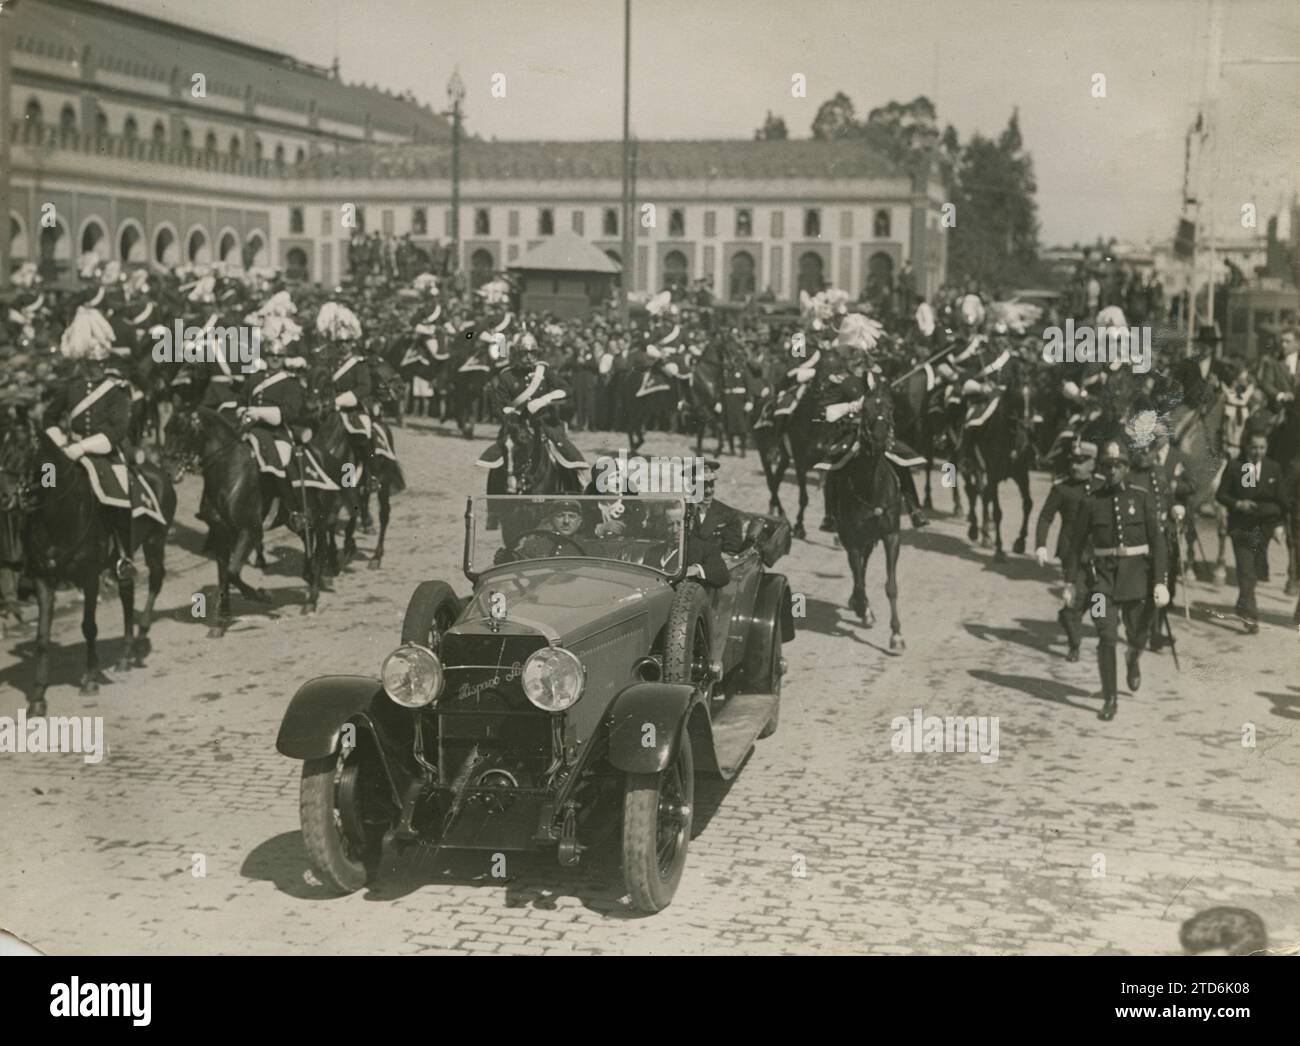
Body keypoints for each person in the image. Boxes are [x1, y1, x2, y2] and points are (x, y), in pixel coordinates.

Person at [1062, 439, 1169, 721]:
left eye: (1118, 465)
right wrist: (1071, 582)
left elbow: (1158, 543)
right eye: (1107, 466)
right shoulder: (1091, 502)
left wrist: (1160, 581)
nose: (1112, 471)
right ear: (1102, 468)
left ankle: (1133, 658)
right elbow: (1075, 545)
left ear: (1126, 467)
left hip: (1137, 580)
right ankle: (1110, 698)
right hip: (1102, 583)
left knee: (1138, 636)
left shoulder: (1141, 497)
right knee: (1105, 635)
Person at [1215, 428, 1287, 633]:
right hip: (1241, 528)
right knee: (1246, 572)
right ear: (1247, 447)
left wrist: (1279, 525)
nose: (1258, 452)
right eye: (1254, 447)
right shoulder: (1235, 466)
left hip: (1264, 529)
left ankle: (1242, 604)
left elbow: (1282, 501)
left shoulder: (1274, 468)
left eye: (1262, 447)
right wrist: (1238, 504)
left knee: (1254, 573)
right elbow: (1221, 495)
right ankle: (1251, 617)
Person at [1033, 439, 1097, 661]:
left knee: (1098, 596)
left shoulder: (1104, 486)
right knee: (1074, 598)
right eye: (1073, 461)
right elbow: (1045, 516)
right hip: (1072, 553)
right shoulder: (1062, 488)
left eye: (1081, 461)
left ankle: (1073, 618)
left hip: (1100, 553)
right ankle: (1074, 644)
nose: (1075, 466)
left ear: (1093, 462)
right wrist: (1040, 544)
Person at [658, 501, 729, 588]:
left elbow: (723, 575)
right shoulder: (652, 552)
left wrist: (697, 569)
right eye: (670, 524)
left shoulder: (706, 550)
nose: (675, 530)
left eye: (679, 524)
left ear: (690, 524)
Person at [690, 459, 744, 554]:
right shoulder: (681, 511)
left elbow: (730, 553)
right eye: (703, 486)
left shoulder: (729, 515)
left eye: (711, 485)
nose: (708, 491)